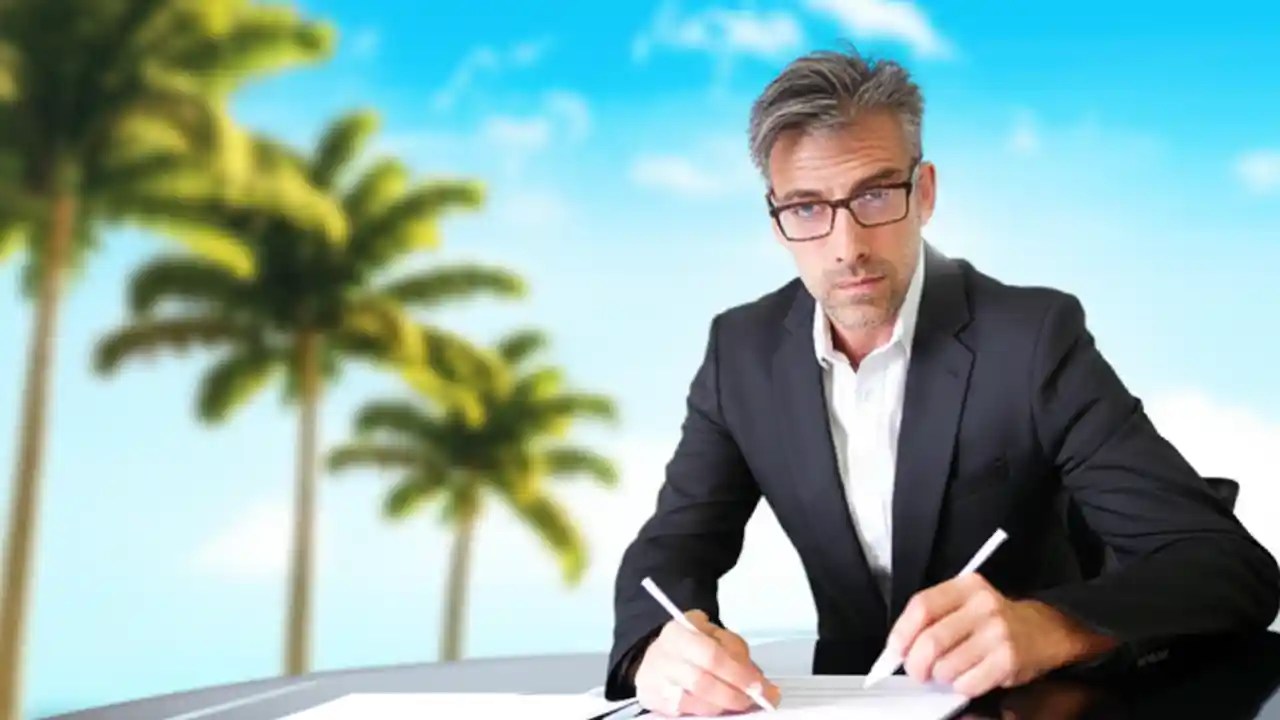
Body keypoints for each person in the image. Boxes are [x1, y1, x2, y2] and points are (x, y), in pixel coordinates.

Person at [604, 45, 1280, 716]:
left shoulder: (1032, 338)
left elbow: (1224, 564)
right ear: (777, 221)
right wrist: (656, 647)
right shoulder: (741, 352)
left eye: (873, 195)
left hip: (1035, 706)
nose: (846, 246)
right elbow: (673, 546)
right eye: (807, 208)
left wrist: (1052, 625)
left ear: (923, 192)